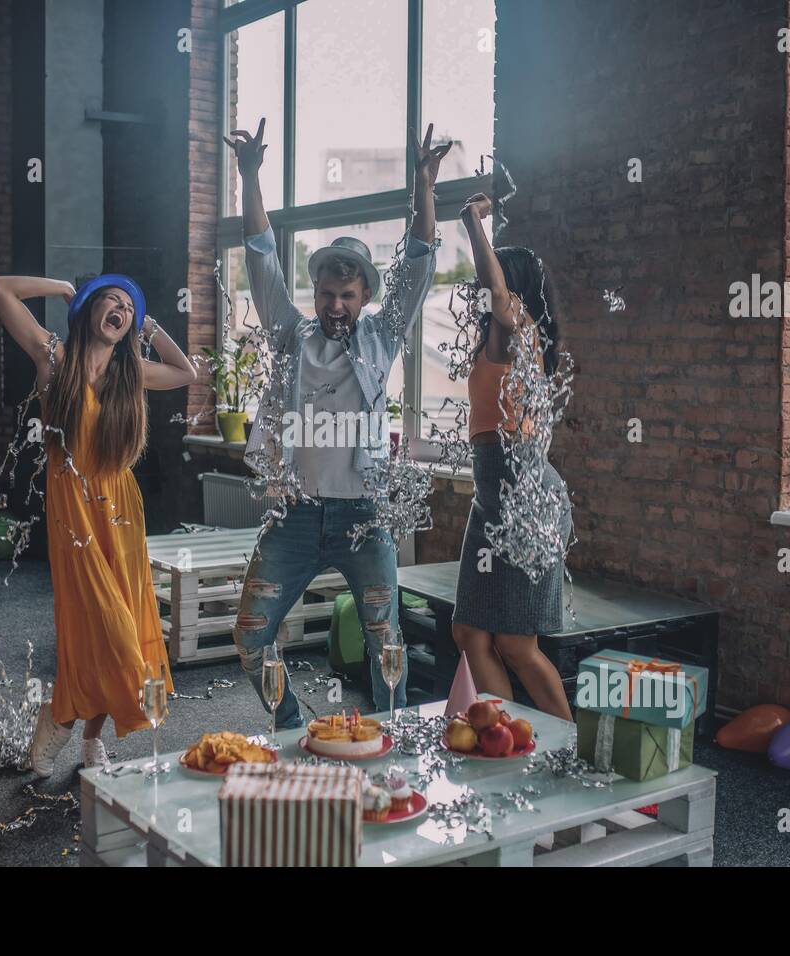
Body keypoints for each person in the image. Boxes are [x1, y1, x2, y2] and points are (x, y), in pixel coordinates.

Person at [222, 118, 449, 727]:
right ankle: (292, 722)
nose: (336, 305)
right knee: (249, 634)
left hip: (364, 516)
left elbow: (419, 266)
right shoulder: (290, 335)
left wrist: (423, 187)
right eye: (327, 293)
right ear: (315, 292)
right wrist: (248, 175)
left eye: (348, 295)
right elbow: (261, 255)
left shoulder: (381, 338)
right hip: (295, 515)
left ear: (364, 297)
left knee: (387, 643)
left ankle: (391, 743)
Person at [0, 272, 196, 774]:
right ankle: (59, 713)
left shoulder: (132, 372)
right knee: (105, 626)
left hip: (121, 507)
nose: (121, 310)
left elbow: (186, 372)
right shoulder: (54, 357)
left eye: (128, 307)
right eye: (111, 300)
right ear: (88, 309)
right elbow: (0, 289)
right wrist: (62, 288)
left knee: (115, 617)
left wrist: (147, 326)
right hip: (73, 509)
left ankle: (88, 739)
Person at [450, 193, 574, 721]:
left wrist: (471, 223)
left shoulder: (516, 328)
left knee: (517, 643)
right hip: (492, 496)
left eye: (496, 277)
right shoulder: (492, 342)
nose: (483, 288)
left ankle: (567, 747)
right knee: (471, 631)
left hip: (525, 496)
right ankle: (509, 735)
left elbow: (497, 291)